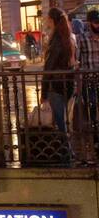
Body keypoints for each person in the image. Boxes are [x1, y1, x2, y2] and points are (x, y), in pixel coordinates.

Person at [41, 7, 77, 139]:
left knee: (60, 124)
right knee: (65, 121)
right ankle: (67, 151)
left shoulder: (56, 40)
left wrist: (43, 93)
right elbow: (73, 62)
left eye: (48, 19)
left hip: (56, 86)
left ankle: (67, 153)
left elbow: (48, 68)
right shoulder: (68, 37)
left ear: (52, 20)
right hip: (68, 84)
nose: (46, 22)